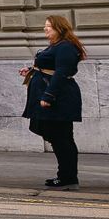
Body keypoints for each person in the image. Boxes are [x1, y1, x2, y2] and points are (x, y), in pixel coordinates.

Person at [23, 13, 85, 190]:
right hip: (51, 96)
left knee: (62, 138)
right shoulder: (56, 45)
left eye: (48, 26)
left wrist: (48, 96)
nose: (45, 29)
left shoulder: (65, 47)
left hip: (59, 99)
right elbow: (50, 66)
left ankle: (68, 178)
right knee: (56, 136)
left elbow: (61, 73)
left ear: (59, 28)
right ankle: (65, 176)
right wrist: (30, 70)